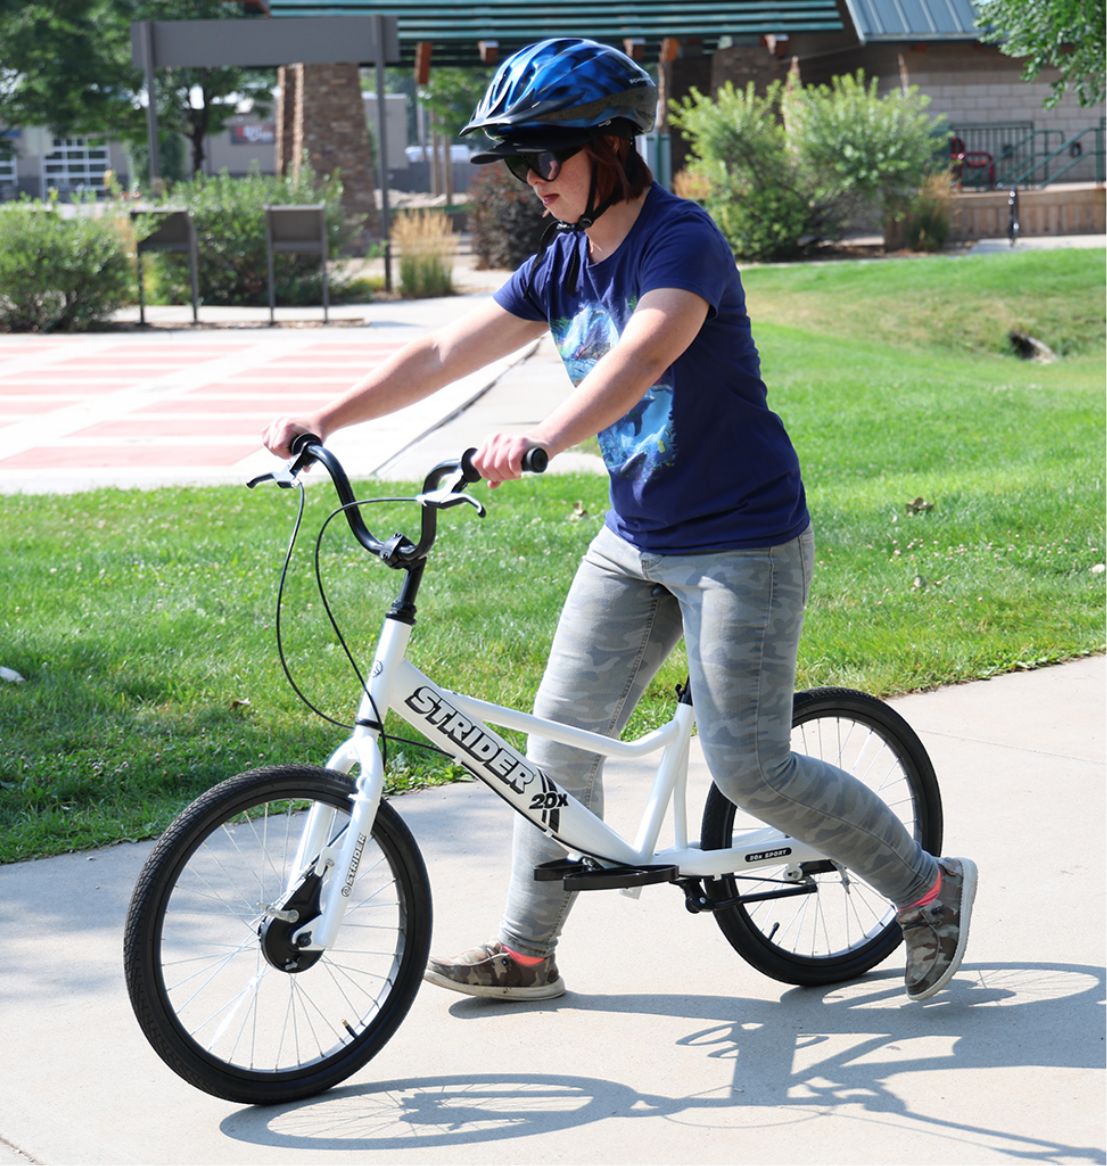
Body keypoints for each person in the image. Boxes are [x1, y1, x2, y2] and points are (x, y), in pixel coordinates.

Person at [262, 37, 976, 1006]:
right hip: (637, 540)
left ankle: (928, 886)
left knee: (750, 763)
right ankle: (528, 951)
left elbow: (641, 356)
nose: (531, 180)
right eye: (519, 163)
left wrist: (543, 438)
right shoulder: (562, 262)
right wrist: (326, 418)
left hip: (744, 541)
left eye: (544, 158)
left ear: (609, 146)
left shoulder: (681, 241)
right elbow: (440, 348)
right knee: (558, 746)